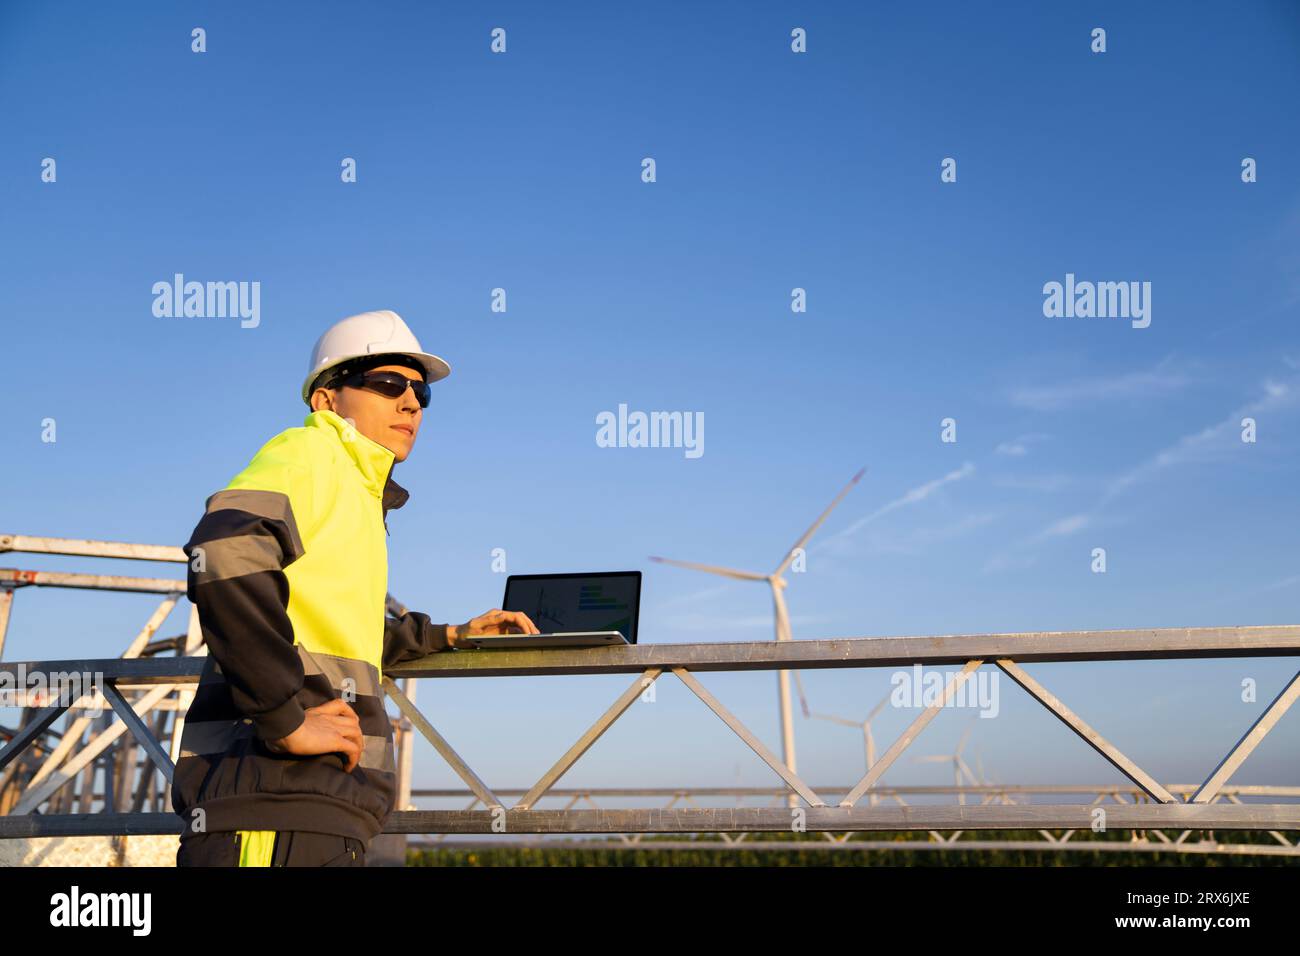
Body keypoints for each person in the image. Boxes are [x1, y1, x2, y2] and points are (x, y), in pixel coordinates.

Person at [172, 309, 538, 867]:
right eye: (389, 385)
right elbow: (223, 552)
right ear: (326, 400)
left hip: (313, 813)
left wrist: (452, 635)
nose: (411, 403)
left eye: (420, 393)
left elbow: (340, 631)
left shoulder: (358, 493)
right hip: (275, 805)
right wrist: (284, 720)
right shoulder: (312, 452)